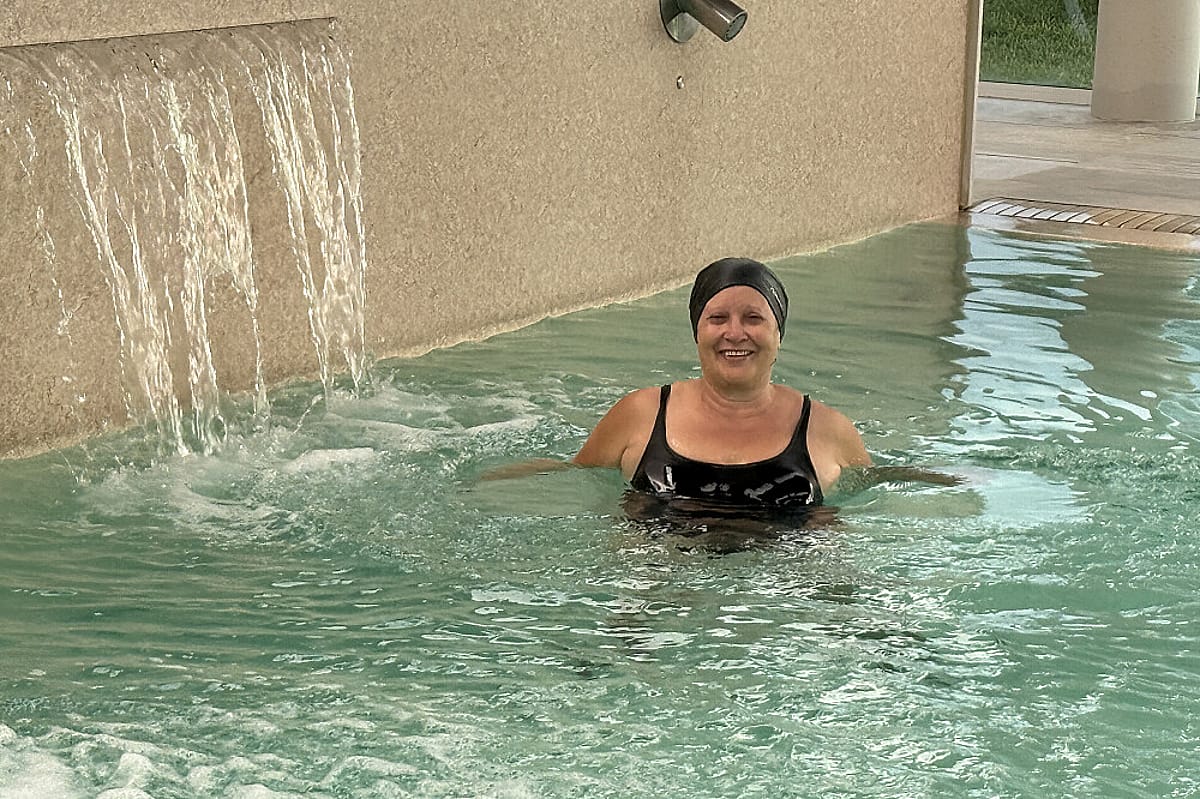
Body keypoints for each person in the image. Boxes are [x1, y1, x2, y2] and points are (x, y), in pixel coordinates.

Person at [572, 257, 868, 510]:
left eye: (753, 318)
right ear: (697, 332)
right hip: (652, 574)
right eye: (718, 318)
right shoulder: (640, 414)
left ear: (778, 335)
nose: (735, 333)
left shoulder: (828, 429)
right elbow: (568, 479)